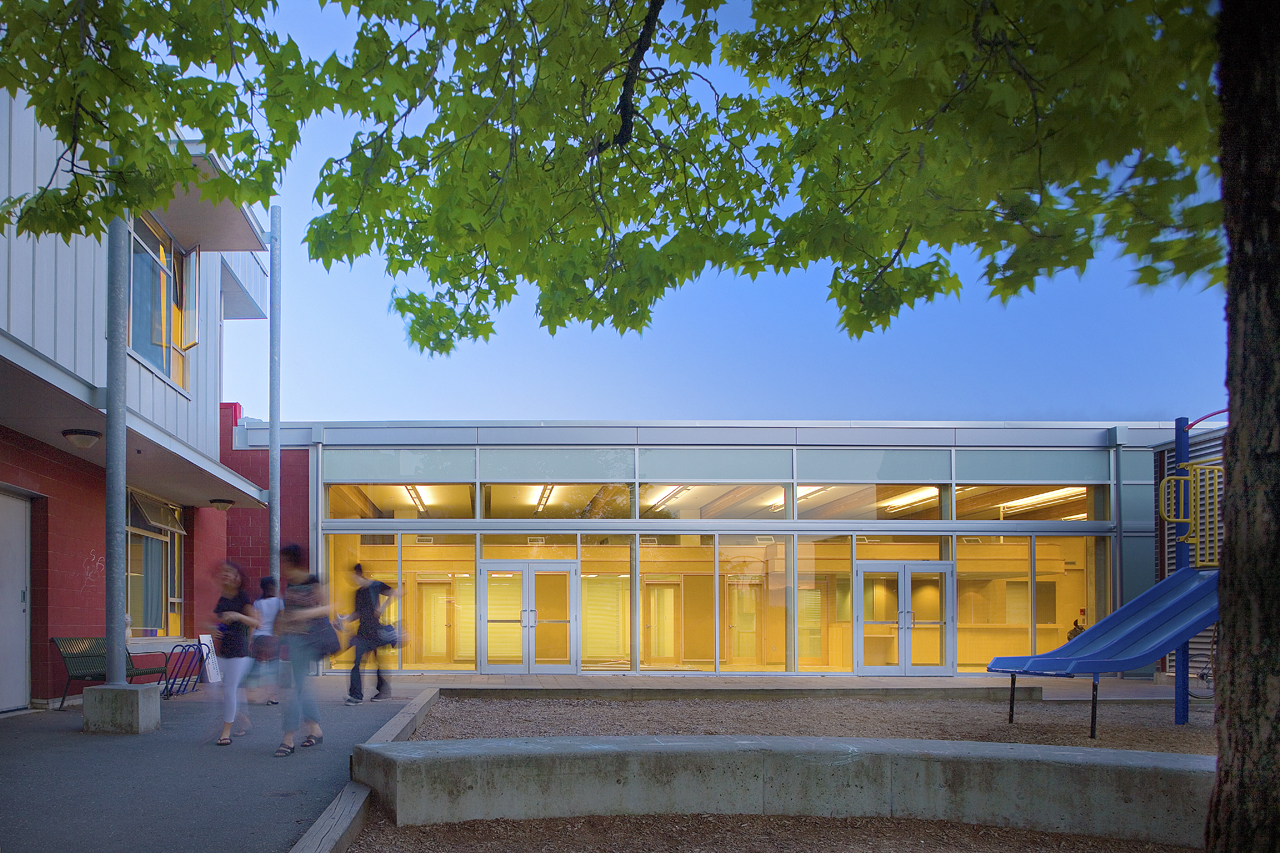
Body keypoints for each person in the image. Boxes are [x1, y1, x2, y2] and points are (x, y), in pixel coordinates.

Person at [273, 544, 327, 757]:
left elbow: (329, 607)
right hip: (292, 640)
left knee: (295, 689)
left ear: (292, 561)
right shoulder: (290, 584)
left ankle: (288, 738)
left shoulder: (312, 581)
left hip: (308, 640)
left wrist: (304, 615)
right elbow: (287, 611)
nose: (281, 565)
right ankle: (315, 729)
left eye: (283, 561)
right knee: (301, 687)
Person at [213, 561, 259, 746]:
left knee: (229, 690)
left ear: (237, 577)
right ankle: (242, 719)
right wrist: (213, 629)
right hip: (223, 649)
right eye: (223, 571)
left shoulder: (242, 597)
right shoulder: (222, 597)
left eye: (229, 572)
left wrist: (237, 616)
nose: (225, 574)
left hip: (239, 651)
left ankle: (226, 732)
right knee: (215, 690)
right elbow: (218, 621)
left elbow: (255, 622)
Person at [342, 563, 399, 705]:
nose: (350, 579)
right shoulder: (358, 592)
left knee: (377, 662)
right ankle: (357, 695)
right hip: (363, 632)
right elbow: (357, 613)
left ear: (357, 574)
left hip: (375, 631)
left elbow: (397, 592)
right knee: (358, 663)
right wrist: (344, 620)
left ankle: (382, 691)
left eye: (351, 576)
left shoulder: (375, 586)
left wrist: (383, 607)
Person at [249, 575, 283, 705]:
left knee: (258, 663)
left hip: (259, 637)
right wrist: (278, 635)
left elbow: (255, 623)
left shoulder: (257, 603)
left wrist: (251, 640)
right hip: (273, 637)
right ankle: (271, 697)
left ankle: (250, 688)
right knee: (273, 667)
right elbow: (280, 620)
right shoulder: (279, 602)